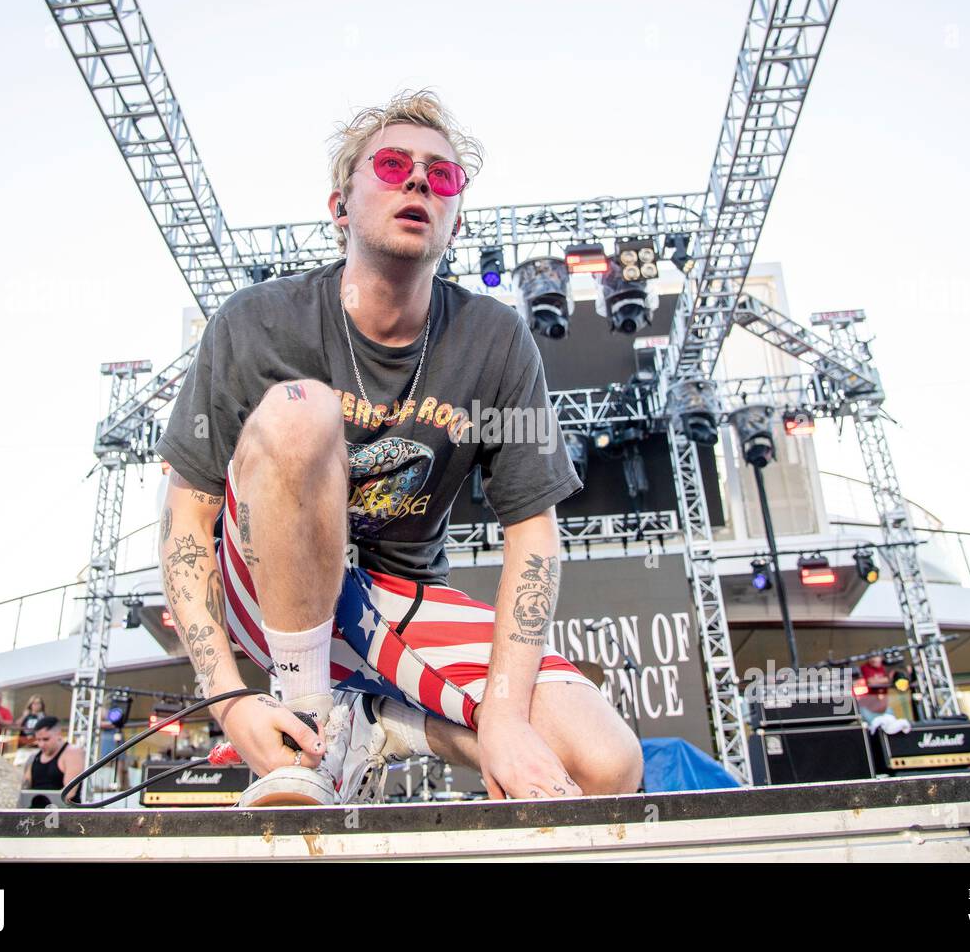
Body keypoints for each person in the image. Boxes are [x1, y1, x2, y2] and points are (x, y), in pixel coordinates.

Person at [155, 89, 643, 807]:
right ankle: (310, 720)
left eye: (442, 176)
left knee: (606, 764)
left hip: (394, 596)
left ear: (454, 216)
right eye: (391, 165)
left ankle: (381, 721)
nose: (418, 180)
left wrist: (504, 716)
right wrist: (228, 698)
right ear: (340, 208)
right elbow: (185, 520)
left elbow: (533, 538)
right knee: (301, 410)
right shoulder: (258, 322)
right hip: (263, 586)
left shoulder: (496, 338)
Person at [22, 716, 87, 804]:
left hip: (62, 813)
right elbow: (24, 790)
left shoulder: (73, 753)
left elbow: (69, 794)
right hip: (36, 812)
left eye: (46, 739)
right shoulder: (34, 757)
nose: (41, 744)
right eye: (38, 740)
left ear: (58, 734)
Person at [856, 652, 891, 725]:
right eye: (873, 659)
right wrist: (887, 679)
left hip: (883, 706)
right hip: (868, 706)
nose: (875, 661)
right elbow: (871, 681)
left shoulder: (885, 667)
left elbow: (894, 678)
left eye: (877, 659)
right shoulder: (865, 667)